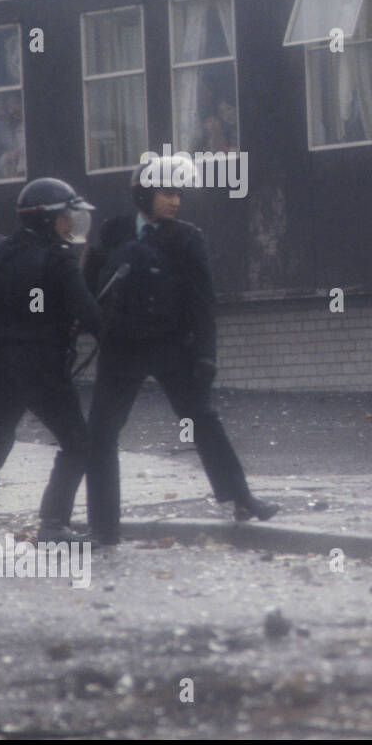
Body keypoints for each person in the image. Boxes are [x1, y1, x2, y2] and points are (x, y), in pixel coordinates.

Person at [82, 156, 279, 545]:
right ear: (143, 195)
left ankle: (242, 499)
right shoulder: (113, 231)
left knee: (203, 420)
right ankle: (103, 525)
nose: (175, 202)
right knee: (102, 433)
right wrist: (99, 327)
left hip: (171, 346)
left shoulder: (188, 238)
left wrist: (207, 354)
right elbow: (88, 288)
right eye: (167, 193)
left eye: (179, 194)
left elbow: (203, 301)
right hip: (122, 350)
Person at [0, 178, 102, 539]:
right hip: (42, 370)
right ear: (46, 219)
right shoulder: (59, 260)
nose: (70, 224)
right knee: (77, 442)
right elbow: (90, 315)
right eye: (65, 217)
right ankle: (53, 523)